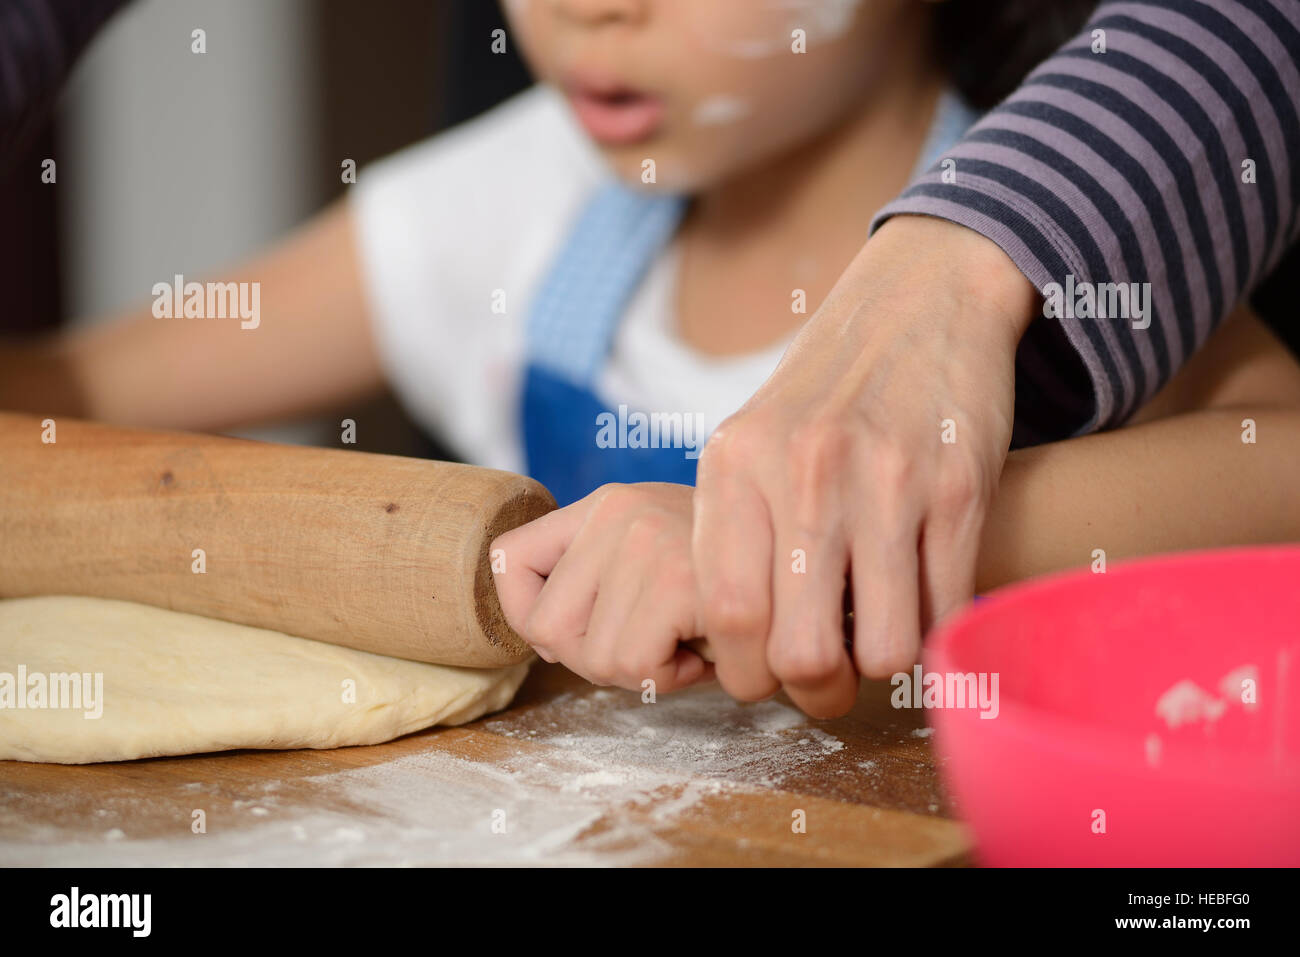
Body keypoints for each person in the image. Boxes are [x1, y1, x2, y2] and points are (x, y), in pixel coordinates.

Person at [3, 0, 1297, 717]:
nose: (586, 7)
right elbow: (61, 411)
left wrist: (796, 545)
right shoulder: (520, 205)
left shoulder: (1076, 251)